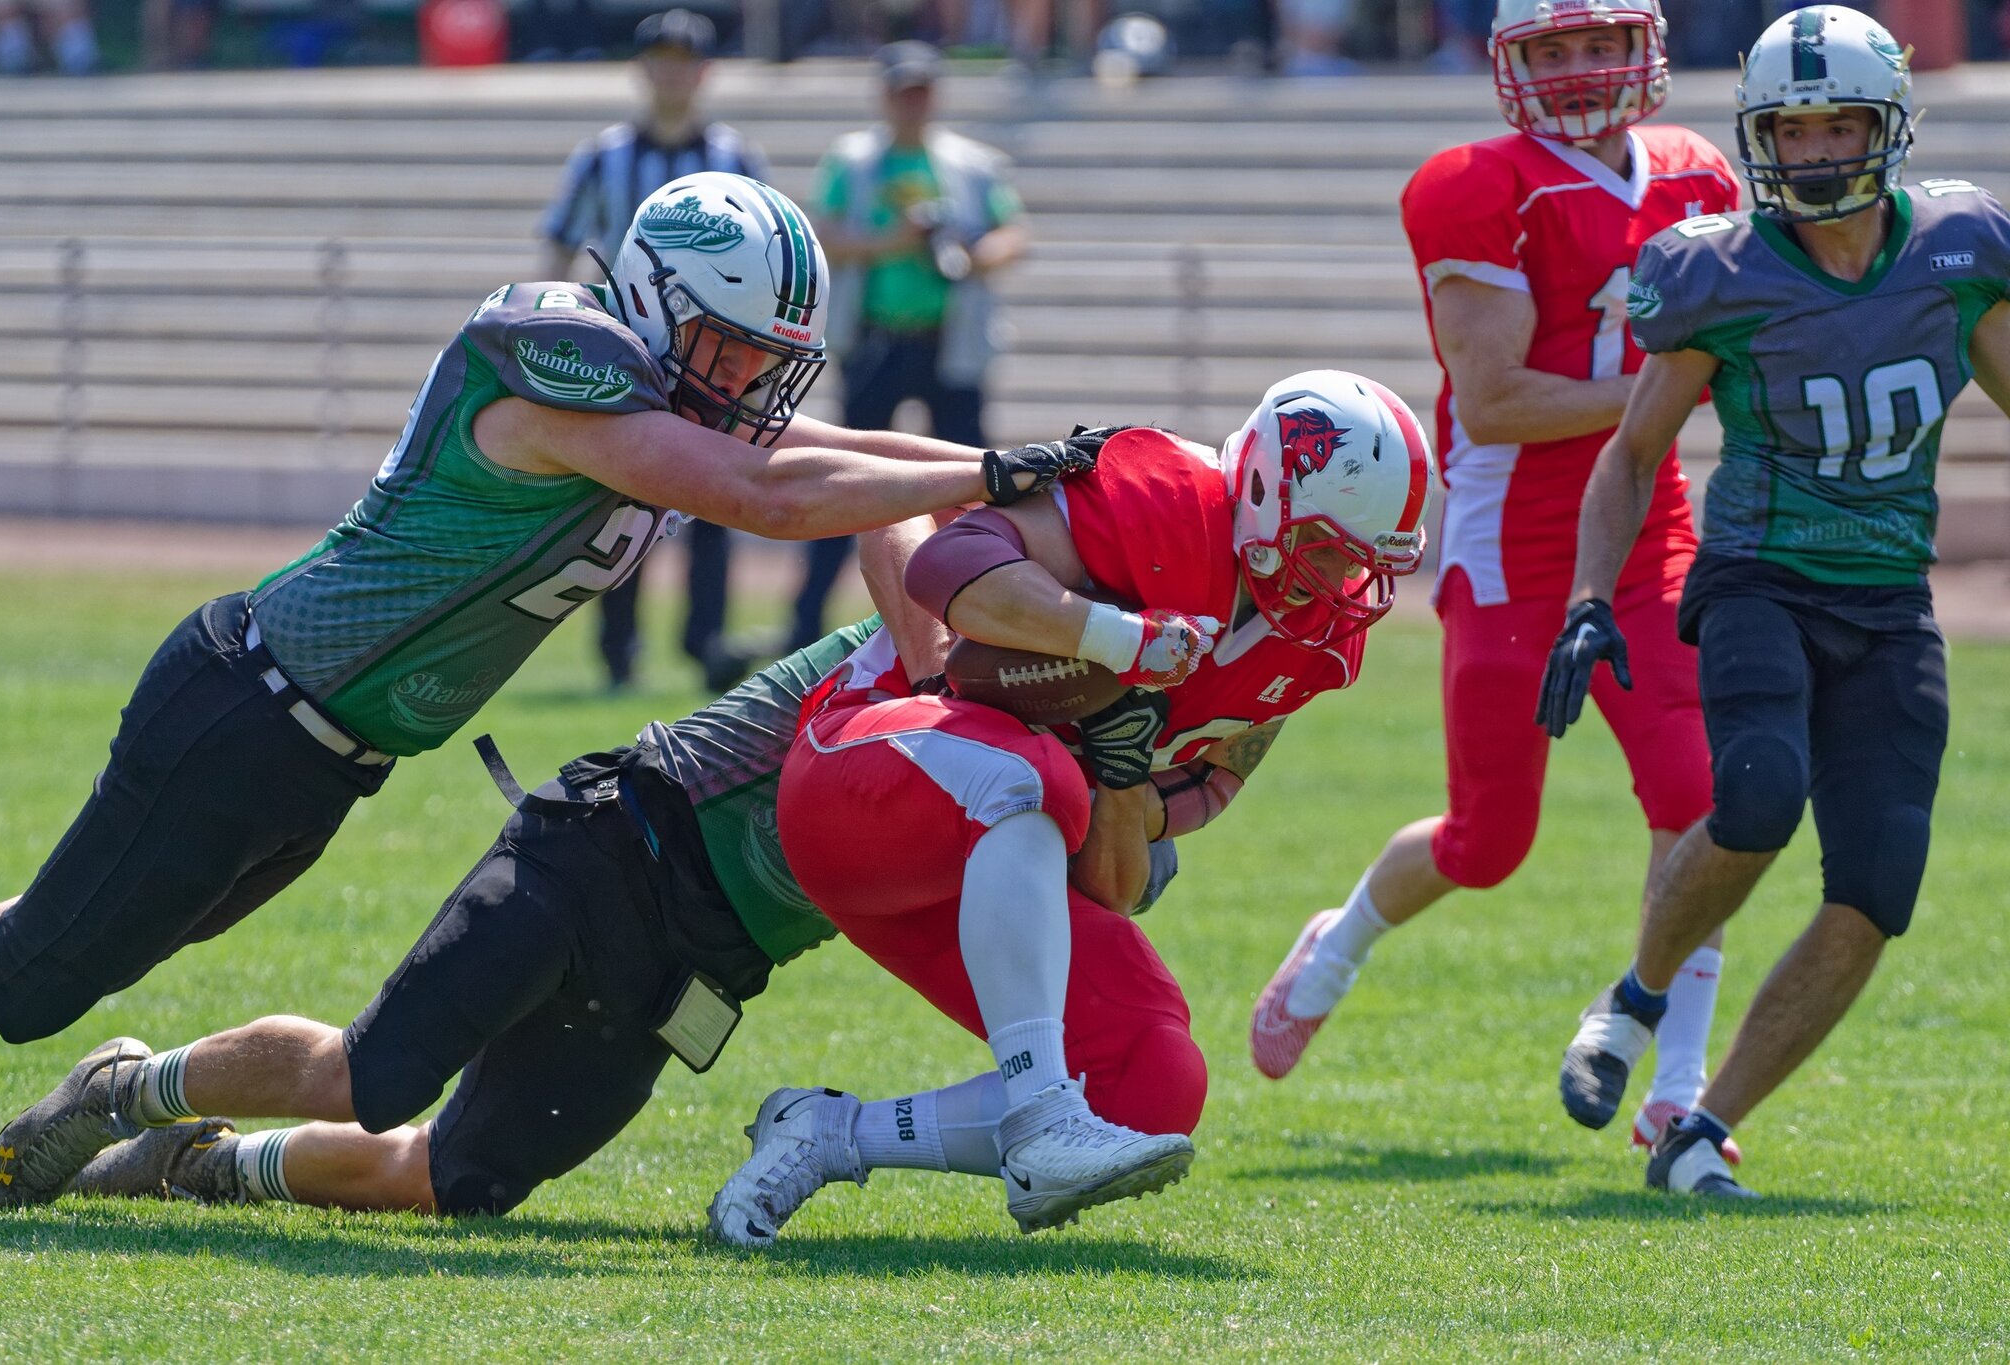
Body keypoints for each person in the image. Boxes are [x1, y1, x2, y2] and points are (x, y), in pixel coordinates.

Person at [0, 171, 1103, 1207]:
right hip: (249, 709)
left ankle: (137, 1102)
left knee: (63, 944)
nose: (750, 383)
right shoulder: (557, 356)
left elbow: (811, 449)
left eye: (766, 359)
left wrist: (1004, 465)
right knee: (32, 977)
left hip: (317, 750)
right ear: (656, 300)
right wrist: (988, 473)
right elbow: (763, 495)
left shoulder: (659, 388)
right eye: (731, 350)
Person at [0, 517, 956, 1218]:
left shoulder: (1087, 753)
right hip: (609, 849)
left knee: (452, 1184)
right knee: (371, 1076)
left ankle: (201, 1165)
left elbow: (1100, 889)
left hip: (704, 965)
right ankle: (124, 1091)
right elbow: (900, 521)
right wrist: (939, 676)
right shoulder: (997, 608)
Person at [707, 370, 1435, 1245]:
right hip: (860, 783)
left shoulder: (1307, 646)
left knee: (1155, 1078)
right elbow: (944, 563)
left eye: (1367, 564)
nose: (1348, 586)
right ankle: (1044, 1115)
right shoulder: (1168, 498)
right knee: (1037, 772)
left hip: (992, 865)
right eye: (1332, 553)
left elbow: (1134, 867)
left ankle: (829, 1134)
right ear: (1264, 494)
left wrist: (1124, 775)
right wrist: (1113, 640)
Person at [1248, 0, 1743, 1161]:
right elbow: (1497, 399)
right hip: (1507, 548)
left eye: (1596, 46)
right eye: (1552, 51)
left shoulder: (1693, 171)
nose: (1579, 73)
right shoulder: (1476, 183)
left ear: (1640, 48)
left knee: (1699, 796)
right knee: (1487, 841)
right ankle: (1336, 945)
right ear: (1511, 66)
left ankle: (1674, 1084)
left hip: (1644, 535)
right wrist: (1674, 394)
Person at [1542, 5, 2010, 1199]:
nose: (1810, 154)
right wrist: (1588, 596)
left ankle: (1700, 1129)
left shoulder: (1959, 248)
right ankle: (1633, 1000)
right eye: (1788, 132)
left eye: (1834, 125)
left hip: (1889, 596)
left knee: (1877, 884)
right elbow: (1631, 453)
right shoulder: (1720, 271)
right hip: (1757, 574)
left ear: (1886, 125)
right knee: (1753, 797)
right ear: (1759, 139)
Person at [539, 10, 769, 694]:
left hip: (713, 355)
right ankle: (619, 651)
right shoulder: (602, 156)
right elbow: (561, 251)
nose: (672, 72)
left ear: (704, 71)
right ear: (643, 68)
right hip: (626, 354)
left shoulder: (734, 158)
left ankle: (706, 643)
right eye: (661, 58)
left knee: (717, 497)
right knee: (620, 500)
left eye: (684, 60)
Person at [795, 41, 1029, 653]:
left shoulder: (971, 164)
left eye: (921, 90)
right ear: (884, 95)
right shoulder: (854, 160)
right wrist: (897, 239)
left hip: (948, 344)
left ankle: (983, 617)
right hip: (877, 340)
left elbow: (1014, 233)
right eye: (903, 90)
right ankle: (804, 623)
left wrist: (970, 256)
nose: (912, 102)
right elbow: (823, 236)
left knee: (969, 488)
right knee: (843, 484)